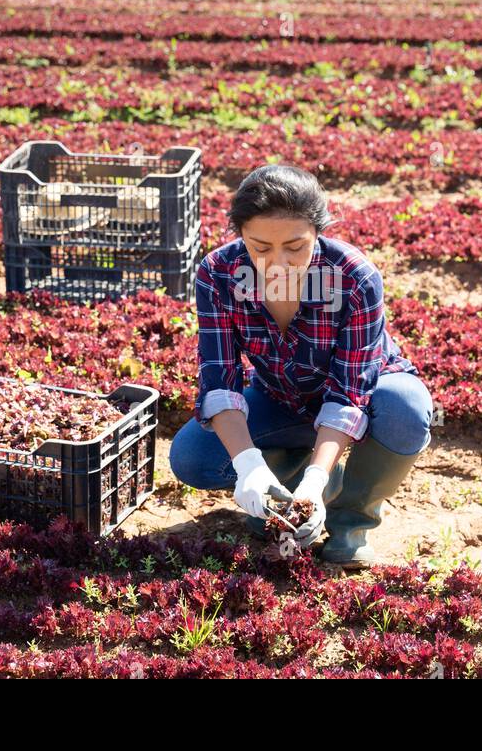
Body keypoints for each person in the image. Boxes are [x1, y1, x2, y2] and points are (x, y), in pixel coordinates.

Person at [169, 165, 433, 569]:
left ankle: (351, 524)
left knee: (406, 409)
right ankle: (290, 494)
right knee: (193, 457)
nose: (278, 263)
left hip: (367, 394)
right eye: (260, 247)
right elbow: (219, 380)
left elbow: (350, 392)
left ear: (317, 232)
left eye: (295, 247)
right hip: (281, 395)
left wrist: (317, 477)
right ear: (240, 234)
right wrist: (248, 466)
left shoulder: (353, 277)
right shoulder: (218, 274)